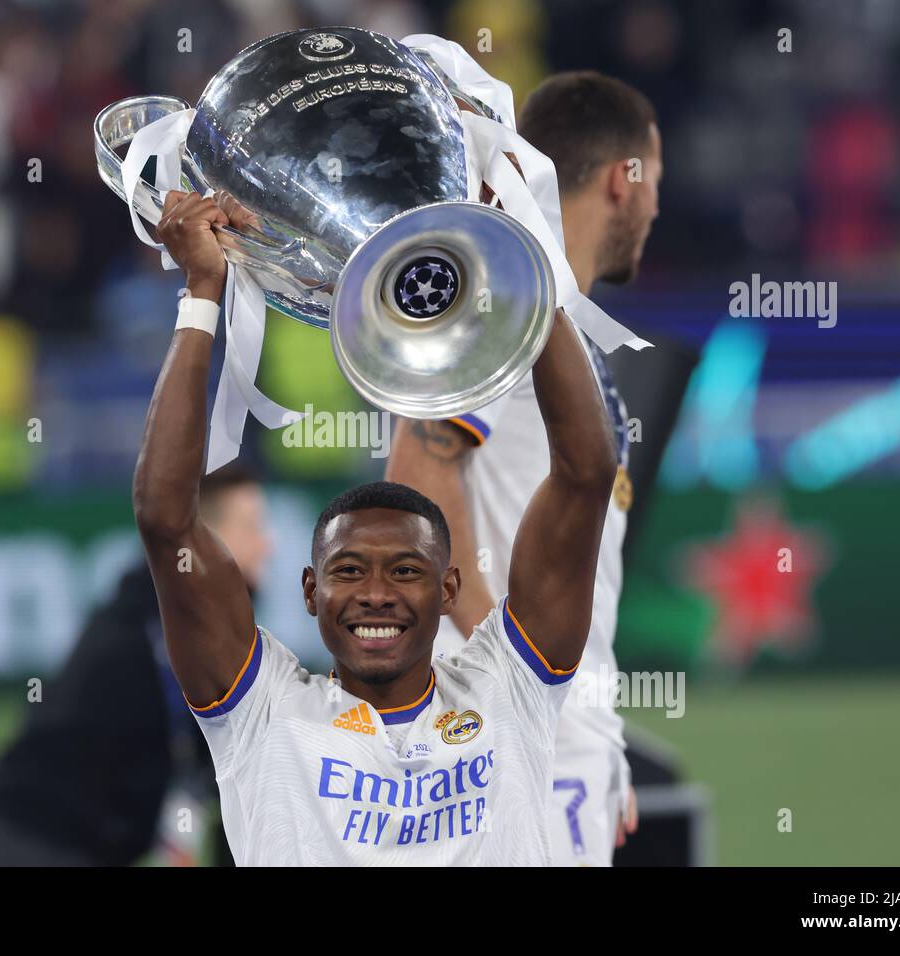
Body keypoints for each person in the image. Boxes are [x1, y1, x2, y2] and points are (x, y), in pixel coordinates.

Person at [129, 184, 617, 865]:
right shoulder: (263, 710)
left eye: (406, 571)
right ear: (311, 591)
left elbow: (587, 474)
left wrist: (518, 261)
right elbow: (165, 520)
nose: (377, 594)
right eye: (349, 570)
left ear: (448, 590)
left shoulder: (509, 688)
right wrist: (202, 293)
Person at [385, 71, 662, 865]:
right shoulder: (506, 299)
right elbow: (417, 473)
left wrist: (595, 735)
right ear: (623, 180)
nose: (654, 208)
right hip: (506, 733)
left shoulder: (556, 321)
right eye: (655, 180)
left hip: (550, 732)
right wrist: (512, 675)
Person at [0, 463, 272, 867]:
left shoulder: (158, 614)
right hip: (34, 845)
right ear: (206, 539)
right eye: (251, 527)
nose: (267, 544)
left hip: (35, 836)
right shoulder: (175, 629)